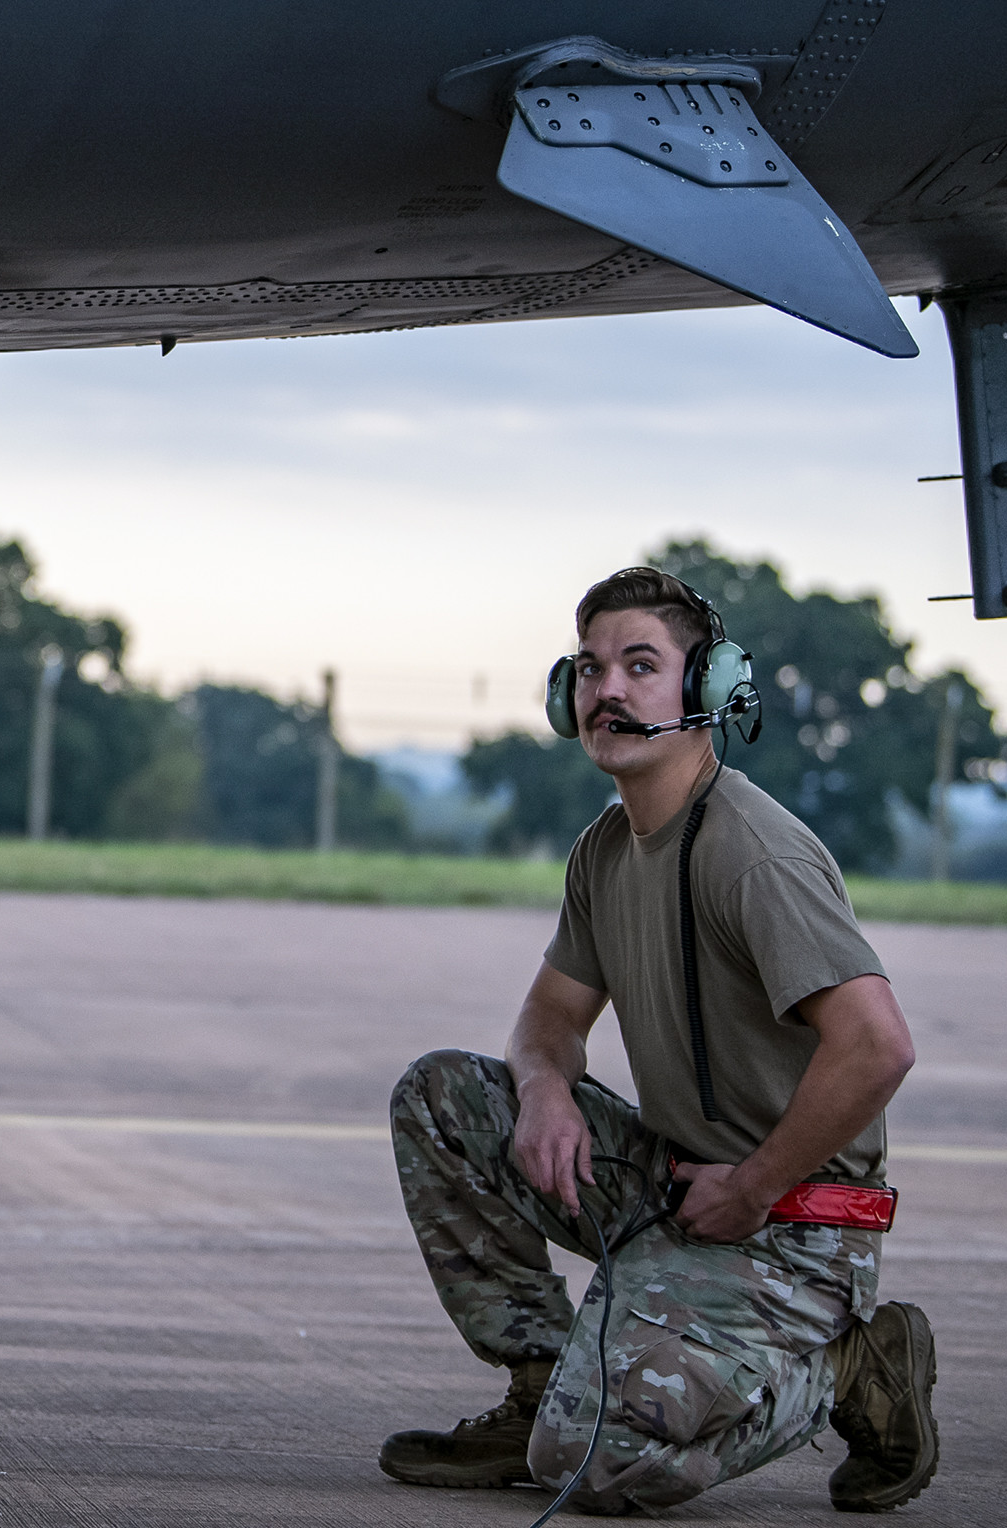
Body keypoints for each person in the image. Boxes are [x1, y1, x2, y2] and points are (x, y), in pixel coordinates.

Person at [380, 566, 939, 1514]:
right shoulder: (605, 850)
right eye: (591, 668)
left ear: (709, 690)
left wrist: (756, 1184)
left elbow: (878, 1046)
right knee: (445, 1096)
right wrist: (547, 1088)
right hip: (680, 1178)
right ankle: (544, 1382)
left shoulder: (751, 855)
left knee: (598, 1464)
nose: (610, 690)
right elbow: (548, 1020)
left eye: (642, 665)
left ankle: (849, 1369)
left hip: (794, 1221)